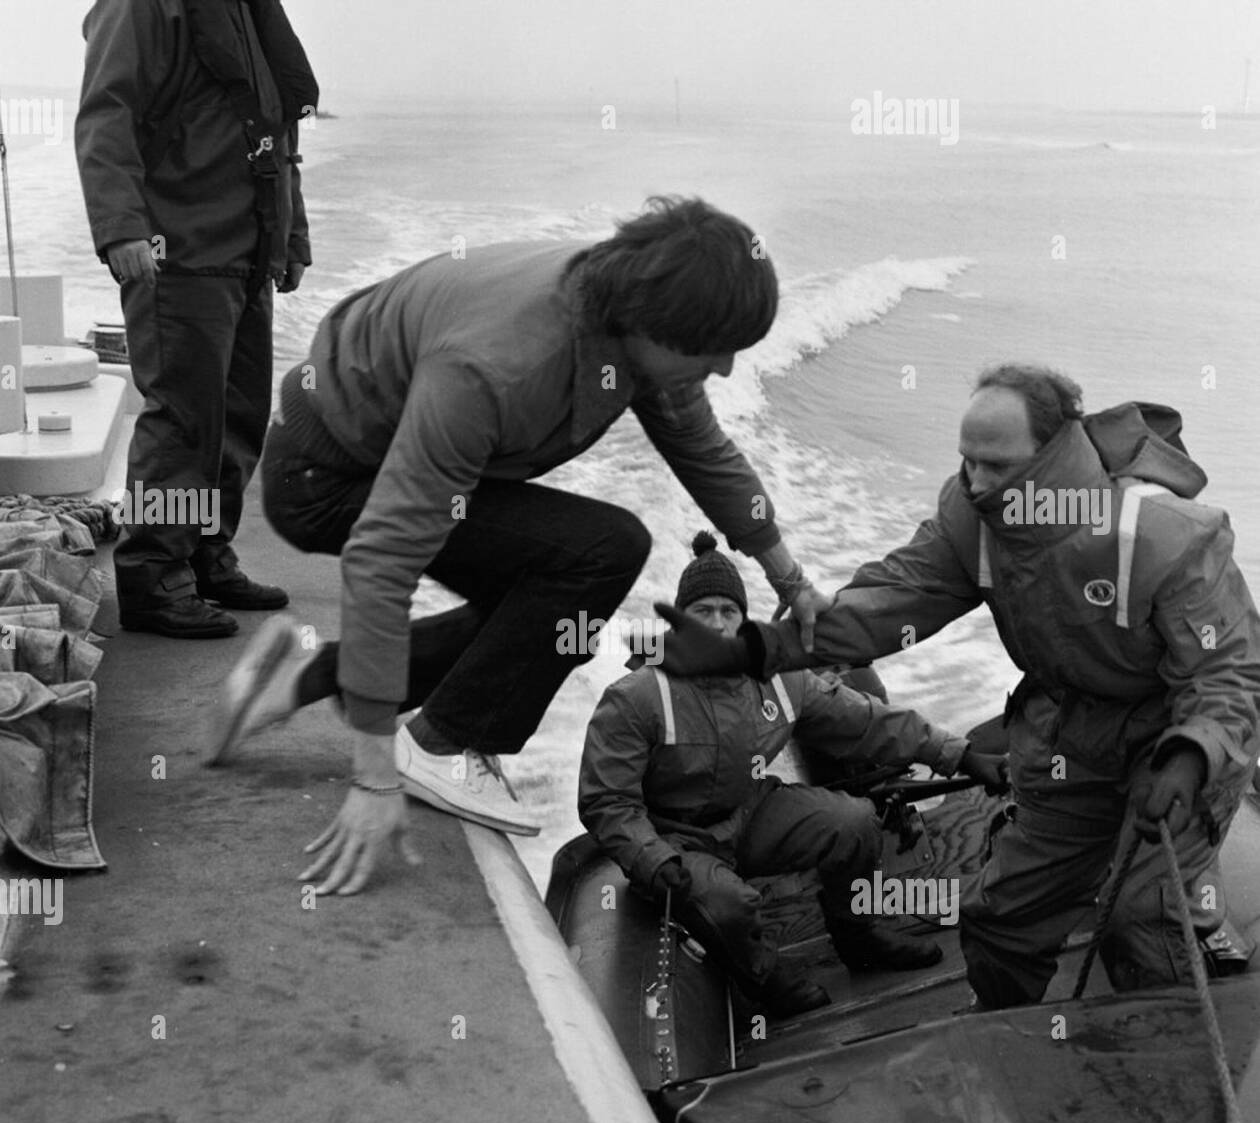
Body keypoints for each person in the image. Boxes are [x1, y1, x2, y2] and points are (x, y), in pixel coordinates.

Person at [204, 197, 834, 895]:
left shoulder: (631, 316)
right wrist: (374, 777)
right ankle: (436, 745)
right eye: (713, 353)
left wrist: (790, 580)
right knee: (598, 555)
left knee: (551, 609)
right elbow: (382, 562)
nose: (721, 371)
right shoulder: (498, 364)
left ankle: (309, 678)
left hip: (371, 443)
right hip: (323, 476)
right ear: (655, 324)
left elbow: (700, 447)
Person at [652, 365, 1260, 1009]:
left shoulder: (1168, 537)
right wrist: (754, 649)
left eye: (994, 465)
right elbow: (885, 603)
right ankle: (1012, 1049)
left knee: (1144, 921)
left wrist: (1190, 755)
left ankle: (1157, 1075)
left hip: (1174, 739)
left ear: (1050, 454)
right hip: (1070, 736)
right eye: (966, 461)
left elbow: (1228, 672)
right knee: (999, 922)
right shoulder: (973, 520)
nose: (975, 482)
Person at [578, 531, 1008, 1018]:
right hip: (678, 838)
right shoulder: (636, 697)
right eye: (703, 612)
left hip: (750, 811)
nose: (718, 624)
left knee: (853, 821)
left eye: (729, 611)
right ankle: (765, 977)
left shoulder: (781, 679)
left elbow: (867, 722)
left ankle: (857, 937)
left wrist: (962, 754)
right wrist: (652, 857)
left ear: (743, 620)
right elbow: (606, 802)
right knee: (727, 902)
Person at [75, 0, 316, 638]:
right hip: (176, 252)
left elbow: (276, 132)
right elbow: (107, 115)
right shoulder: (141, 6)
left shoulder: (249, 9)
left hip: (247, 253)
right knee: (183, 423)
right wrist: (122, 227)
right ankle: (155, 578)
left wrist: (292, 238)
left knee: (234, 424)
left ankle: (206, 554)